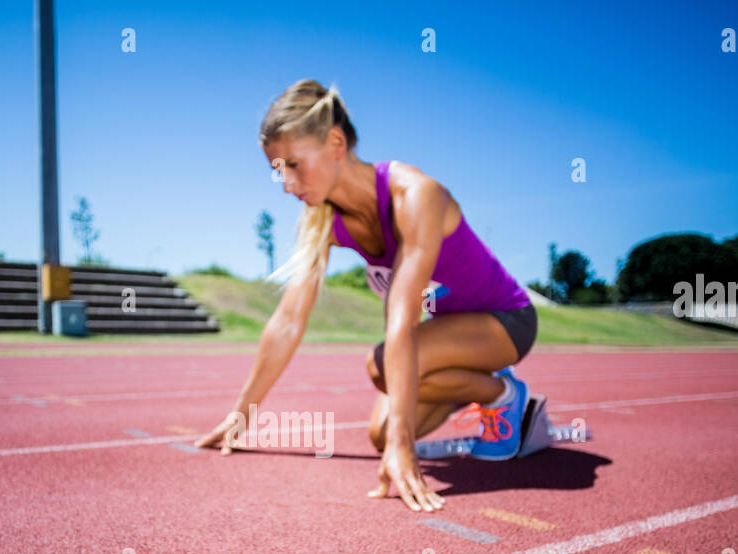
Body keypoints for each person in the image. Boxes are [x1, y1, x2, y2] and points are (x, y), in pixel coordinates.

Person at [196, 79, 537, 512]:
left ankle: (502, 397)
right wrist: (241, 416)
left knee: (381, 369)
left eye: (294, 165)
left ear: (335, 142)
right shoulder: (320, 221)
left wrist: (405, 450)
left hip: (506, 321)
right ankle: (485, 388)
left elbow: (401, 318)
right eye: (278, 169)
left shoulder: (415, 195)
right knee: (380, 435)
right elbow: (287, 321)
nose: (285, 183)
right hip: (444, 333)